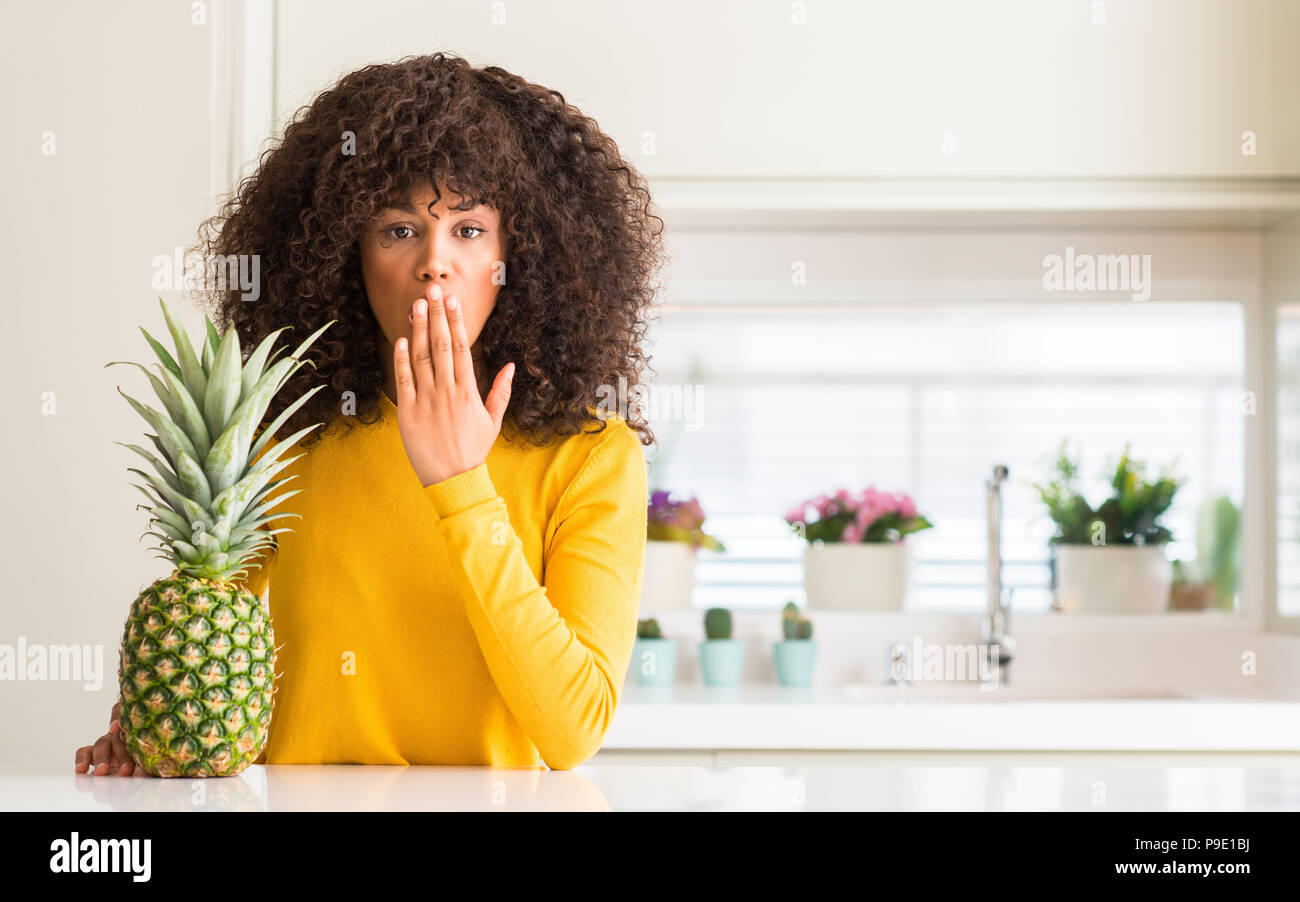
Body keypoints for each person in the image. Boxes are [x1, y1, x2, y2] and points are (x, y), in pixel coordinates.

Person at [76, 51, 662, 775]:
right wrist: (145, 733)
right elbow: (210, 651)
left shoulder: (593, 457)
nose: (434, 263)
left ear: (521, 254)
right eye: (398, 229)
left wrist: (461, 487)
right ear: (343, 254)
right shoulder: (280, 440)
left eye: (469, 231)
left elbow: (572, 731)